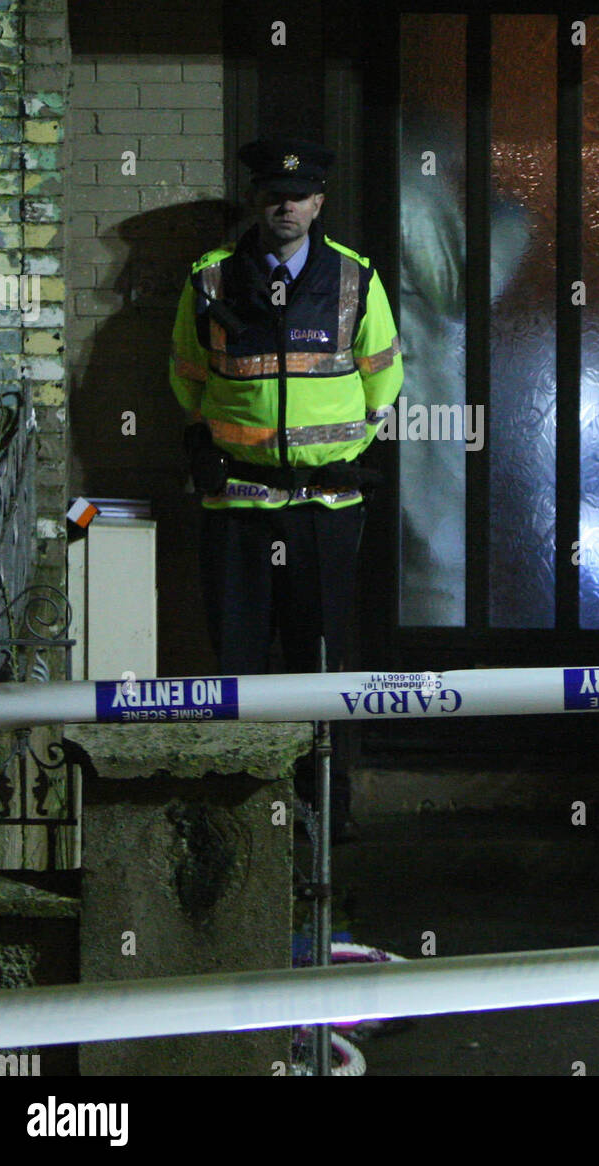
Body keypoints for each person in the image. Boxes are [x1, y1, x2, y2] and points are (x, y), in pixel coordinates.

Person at [169, 136, 403, 836]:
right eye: (273, 194)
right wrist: (219, 443)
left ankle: (323, 818)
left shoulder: (355, 278)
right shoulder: (211, 279)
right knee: (236, 658)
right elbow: (187, 376)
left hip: (326, 509)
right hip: (238, 508)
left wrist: (336, 455)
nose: (286, 206)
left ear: (319, 201)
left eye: (298, 195)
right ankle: (240, 822)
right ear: (256, 201)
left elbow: (383, 381)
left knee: (321, 659)